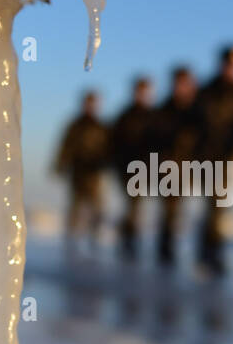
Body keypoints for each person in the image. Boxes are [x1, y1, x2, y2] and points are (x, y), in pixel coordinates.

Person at [194, 44, 233, 275]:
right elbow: (191, 125)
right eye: (230, 65)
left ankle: (212, 252)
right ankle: (210, 254)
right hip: (208, 159)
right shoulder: (206, 93)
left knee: (221, 207)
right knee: (215, 207)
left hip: (232, 159)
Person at [149, 65, 202, 267]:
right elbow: (153, 139)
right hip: (168, 167)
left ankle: (203, 251)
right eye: (179, 83)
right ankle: (166, 249)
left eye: (185, 84)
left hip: (195, 166)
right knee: (170, 209)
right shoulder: (163, 110)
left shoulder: (197, 111)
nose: (181, 88)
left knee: (207, 207)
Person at [51, 90, 110, 250]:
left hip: (94, 176)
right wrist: (59, 165)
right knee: (75, 208)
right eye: (88, 103)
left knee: (97, 209)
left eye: (93, 103)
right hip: (77, 174)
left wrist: (107, 164)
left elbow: (109, 149)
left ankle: (95, 240)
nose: (90, 106)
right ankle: (71, 241)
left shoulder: (102, 127)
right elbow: (65, 147)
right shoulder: (75, 126)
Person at [109, 75, 155, 261]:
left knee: (139, 208)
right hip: (129, 171)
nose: (143, 95)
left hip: (148, 169)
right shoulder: (125, 117)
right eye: (140, 91)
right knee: (133, 207)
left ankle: (133, 242)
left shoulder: (153, 116)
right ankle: (128, 243)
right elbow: (113, 143)